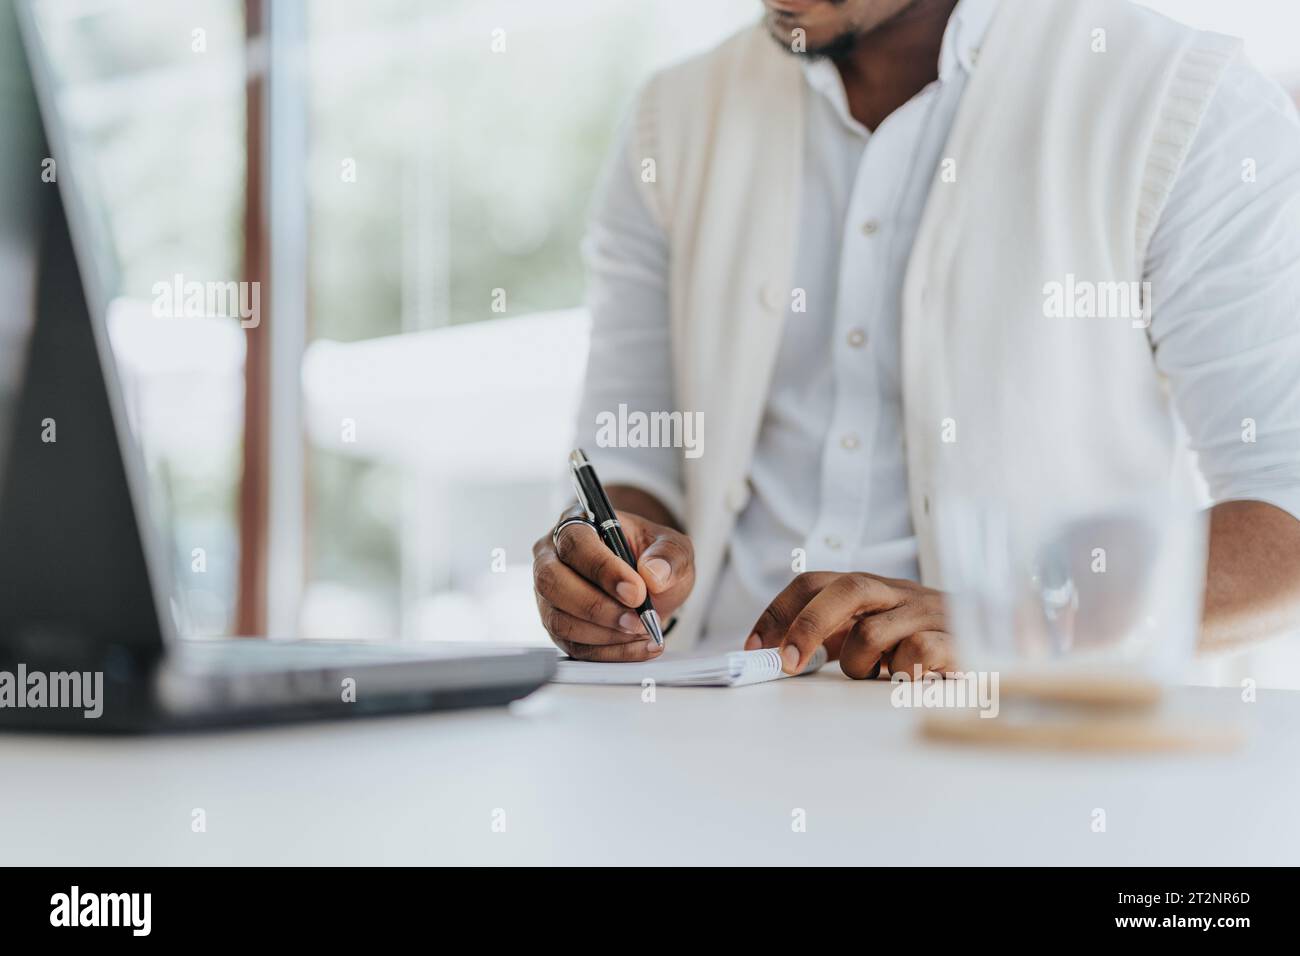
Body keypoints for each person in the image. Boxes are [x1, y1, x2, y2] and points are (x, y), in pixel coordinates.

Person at [533, 0, 1300, 679]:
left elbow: (1285, 509)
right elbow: (632, 462)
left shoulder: (1185, 102)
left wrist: (1018, 625)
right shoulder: (670, 121)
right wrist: (607, 564)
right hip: (694, 731)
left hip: (1023, 758)